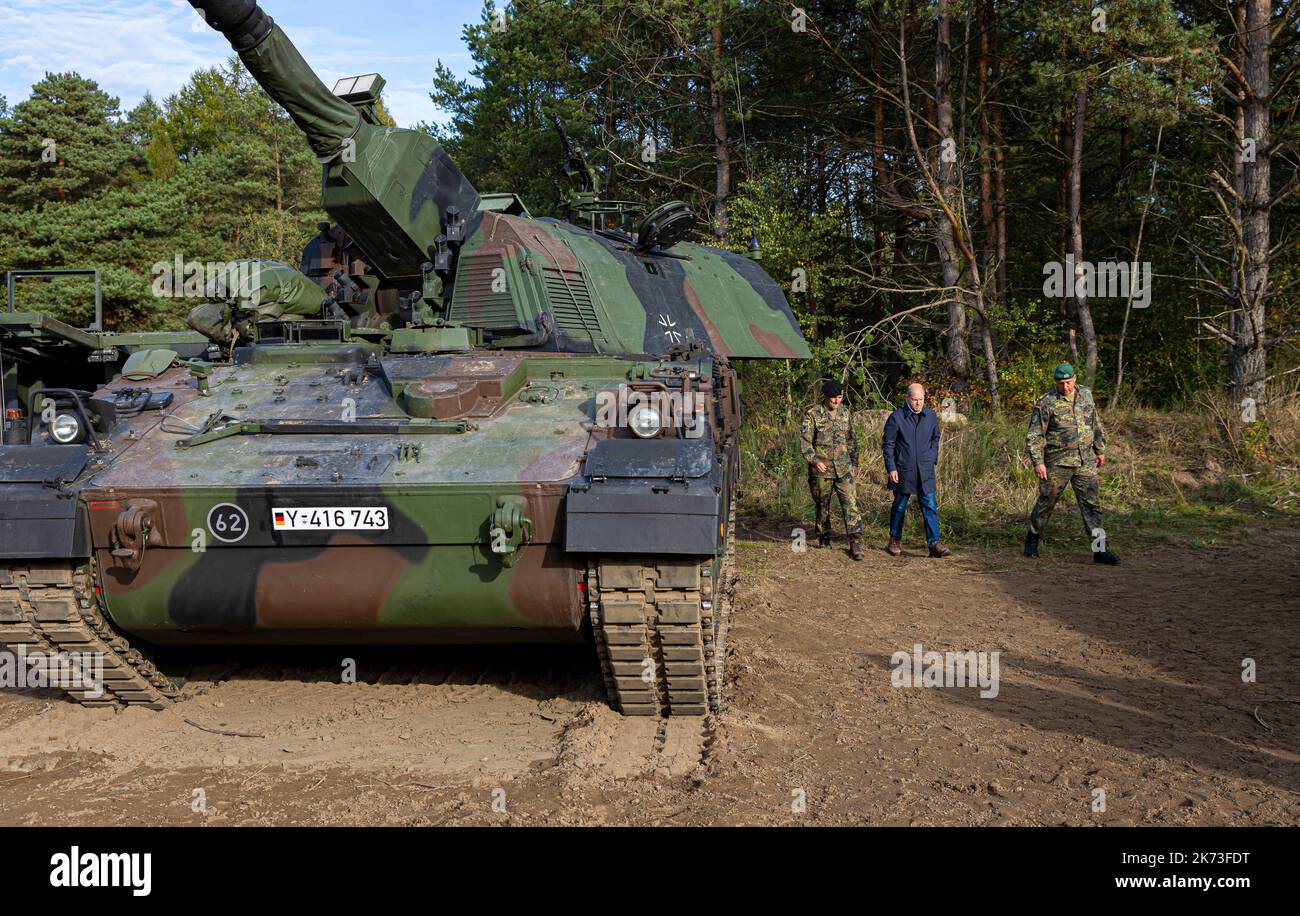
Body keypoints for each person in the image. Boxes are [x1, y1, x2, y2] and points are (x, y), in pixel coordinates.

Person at [1024, 363, 1120, 564]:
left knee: (1092, 506)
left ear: (1075, 379)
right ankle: (1032, 542)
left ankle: (1100, 550)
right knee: (1046, 502)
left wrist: (1100, 448)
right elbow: (1035, 435)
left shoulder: (1086, 395)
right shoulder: (1046, 402)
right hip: (1057, 462)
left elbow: (1095, 422)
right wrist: (1038, 462)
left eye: (1068, 382)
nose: (1065, 387)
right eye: (1061, 383)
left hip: (1085, 461)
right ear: (1055, 382)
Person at [882, 383, 949, 557]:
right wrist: (891, 468)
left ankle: (934, 543)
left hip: (925, 471)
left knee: (930, 506)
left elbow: (936, 437)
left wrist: (932, 457)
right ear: (907, 398)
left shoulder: (931, 415)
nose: (918, 403)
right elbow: (888, 445)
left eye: (921, 399)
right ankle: (894, 540)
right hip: (903, 470)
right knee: (899, 506)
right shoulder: (896, 418)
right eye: (915, 400)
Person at [800, 380, 864, 560]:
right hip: (822, 470)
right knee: (823, 506)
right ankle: (824, 536)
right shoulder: (812, 414)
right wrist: (814, 460)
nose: (836, 401)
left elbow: (852, 440)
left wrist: (855, 463)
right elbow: (805, 442)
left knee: (850, 504)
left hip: (844, 469)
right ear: (825, 397)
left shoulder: (845, 413)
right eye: (833, 398)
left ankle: (855, 542)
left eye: (840, 397)